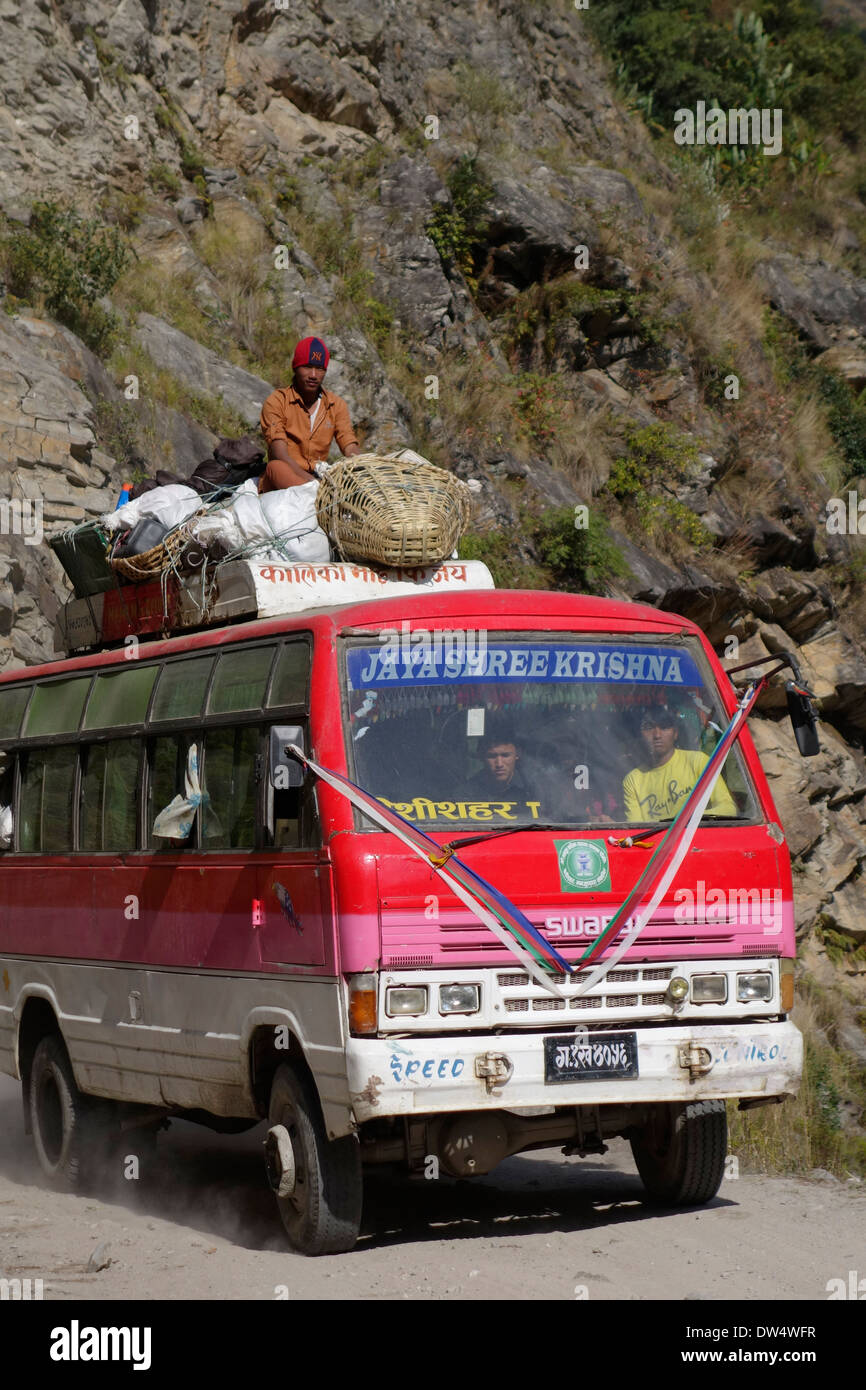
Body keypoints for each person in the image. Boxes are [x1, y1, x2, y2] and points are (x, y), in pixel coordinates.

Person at [258, 336, 361, 492]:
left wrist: (361, 466)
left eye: (319, 369)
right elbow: (279, 454)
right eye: (307, 367)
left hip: (318, 477)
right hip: (287, 476)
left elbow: (348, 442)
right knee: (275, 467)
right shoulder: (277, 401)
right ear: (295, 368)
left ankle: (319, 496)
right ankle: (317, 497)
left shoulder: (336, 405)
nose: (313, 375)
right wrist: (312, 483)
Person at [623, 704, 737, 823]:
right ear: (640, 735)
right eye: (649, 727)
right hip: (659, 842)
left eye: (664, 727)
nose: (657, 735)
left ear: (675, 733)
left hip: (698, 837)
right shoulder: (632, 780)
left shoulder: (697, 761)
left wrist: (688, 819)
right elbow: (636, 827)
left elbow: (728, 808)